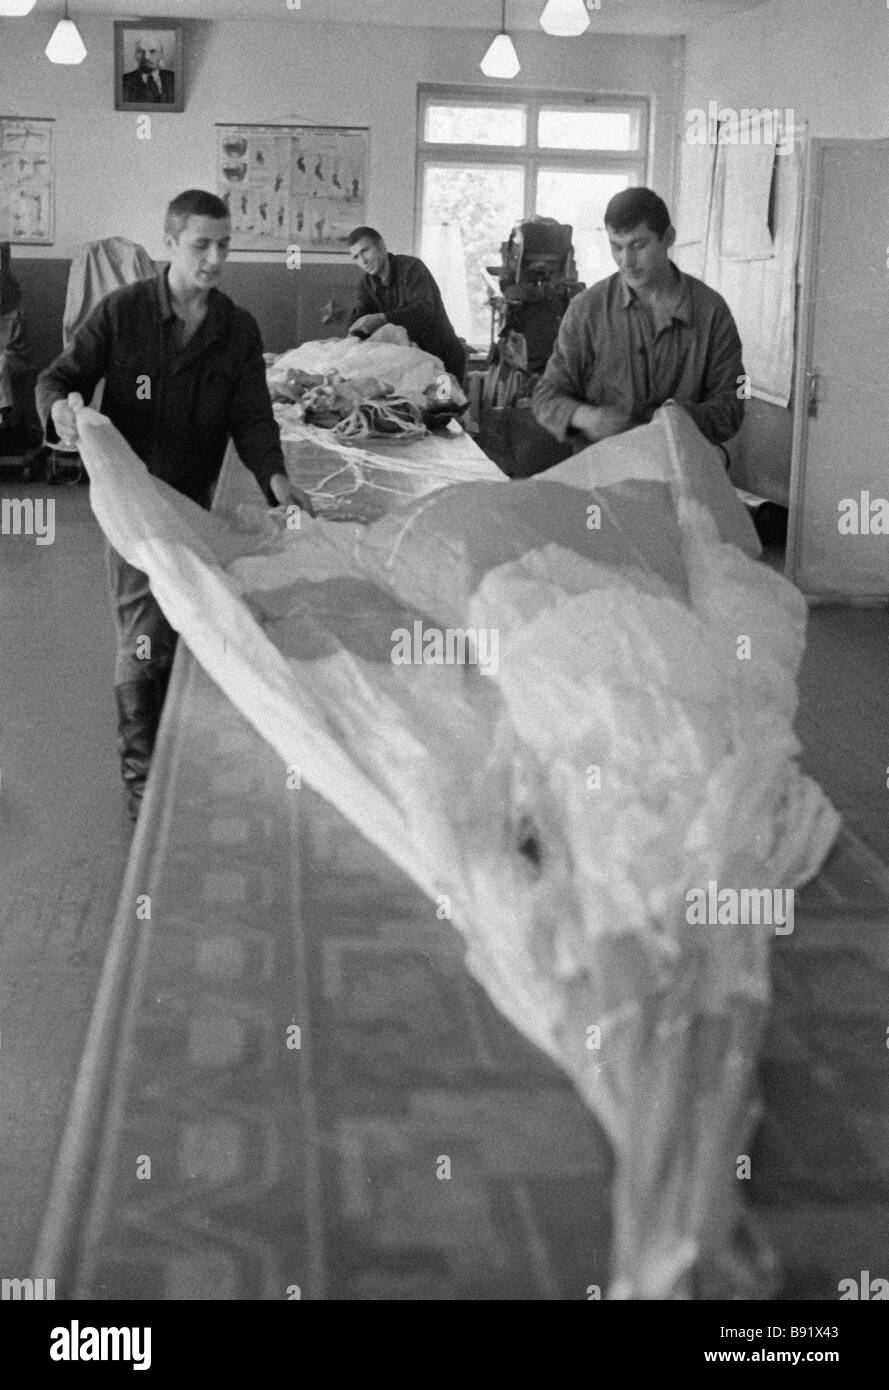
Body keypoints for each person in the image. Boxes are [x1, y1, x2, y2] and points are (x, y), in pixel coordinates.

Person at [36, 188, 313, 821]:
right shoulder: (124, 313)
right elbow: (61, 377)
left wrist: (275, 480)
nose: (214, 259)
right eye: (201, 245)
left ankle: (176, 765)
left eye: (224, 245)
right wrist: (59, 410)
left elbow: (252, 417)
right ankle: (141, 791)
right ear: (169, 243)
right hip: (135, 509)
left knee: (198, 621)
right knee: (143, 633)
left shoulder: (235, 329)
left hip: (195, 505)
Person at [532, 187, 745, 450]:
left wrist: (676, 419)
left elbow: (735, 401)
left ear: (668, 237)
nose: (626, 262)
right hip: (602, 472)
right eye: (617, 247)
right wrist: (587, 417)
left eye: (638, 245)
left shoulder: (712, 311)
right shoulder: (586, 309)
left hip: (680, 470)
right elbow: (545, 396)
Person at [347, 226, 466, 382]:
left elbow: (424, 311)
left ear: (381, 246)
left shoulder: (412, 268)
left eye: (365, 251)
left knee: (444, 404)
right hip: (413, 364)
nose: (363, 261)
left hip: (443, 361)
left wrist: (382, 318)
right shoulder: (367, 284)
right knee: (413, 405)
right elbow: (360, 320)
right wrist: (349, 338)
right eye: (356, 257)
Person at [0, 241, 32, 435]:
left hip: (12, 358)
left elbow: (15, 347)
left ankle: (3, 418)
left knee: (1, 362)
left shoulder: (12, 297)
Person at [121, 33, 176, 104]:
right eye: (141, 52)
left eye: (152, 51)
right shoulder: (124, 81)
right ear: (135, 55)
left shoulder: (174, 79)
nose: (146, 57)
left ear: (161, 55)